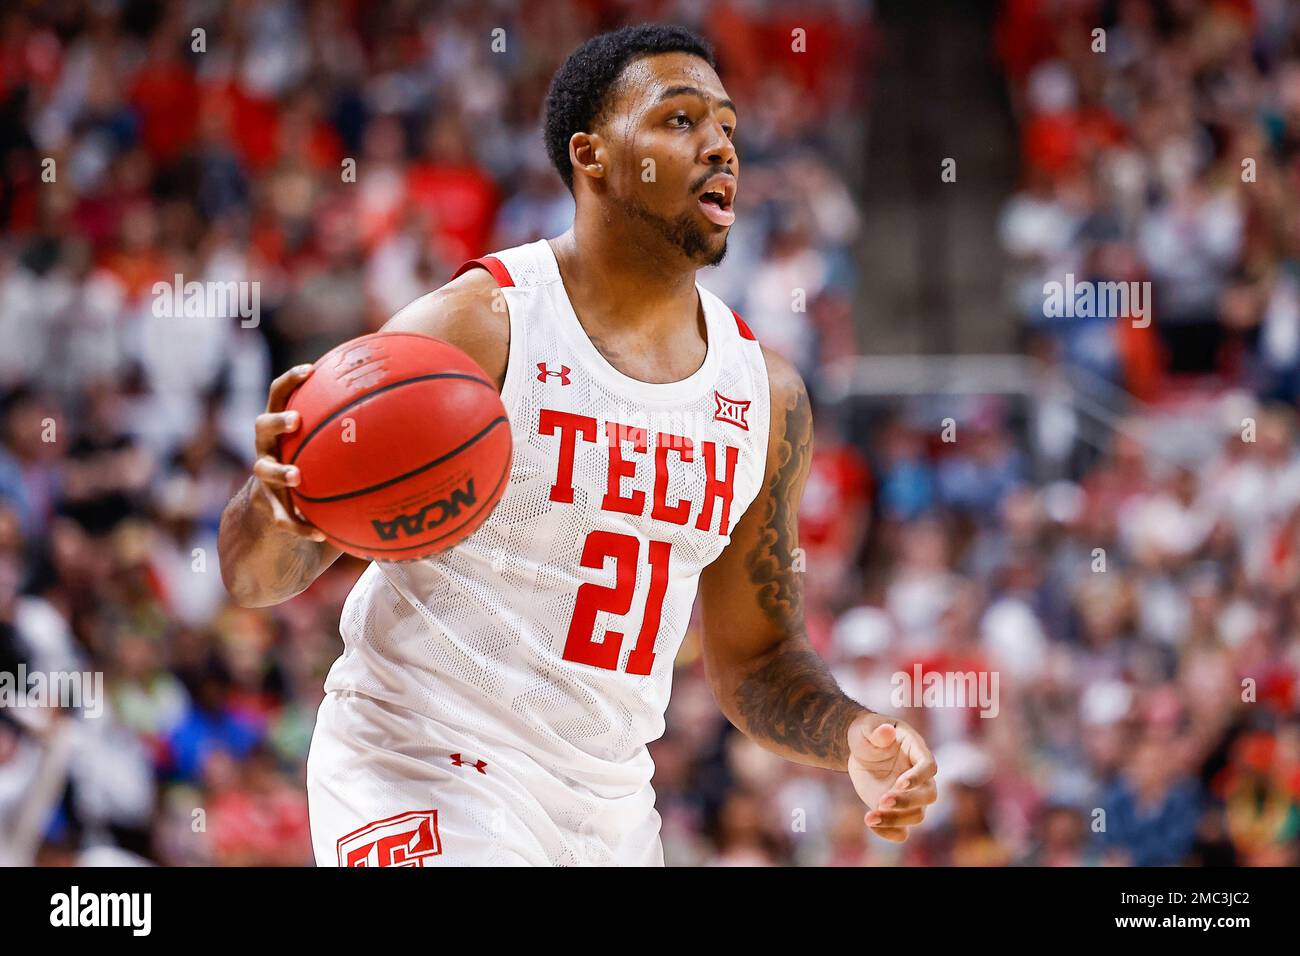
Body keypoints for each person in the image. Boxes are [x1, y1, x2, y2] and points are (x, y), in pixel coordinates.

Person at [217, 24, 937, 866]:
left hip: (609, 811)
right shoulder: (482, 325)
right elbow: (258, 578)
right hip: (421, 767)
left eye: (728, 128)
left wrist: (853, 733)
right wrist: (277, 507)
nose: (719, 147)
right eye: (679, 120)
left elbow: (759, 657)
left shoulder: (764, 395)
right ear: (591, 156)